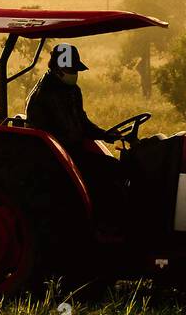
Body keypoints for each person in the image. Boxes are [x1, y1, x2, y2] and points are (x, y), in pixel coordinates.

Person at [25, 43, 128, 229]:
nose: (75, 74)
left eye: (75, 70)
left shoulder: (72, 90)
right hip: (56, 157)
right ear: (57, 69)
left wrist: (105, 134)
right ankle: (106, 223)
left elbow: (82, 122)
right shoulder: (46, 94)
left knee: (116, 168)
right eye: (70, 70)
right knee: (109, 172)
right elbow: (66, 130)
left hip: (71, 151)